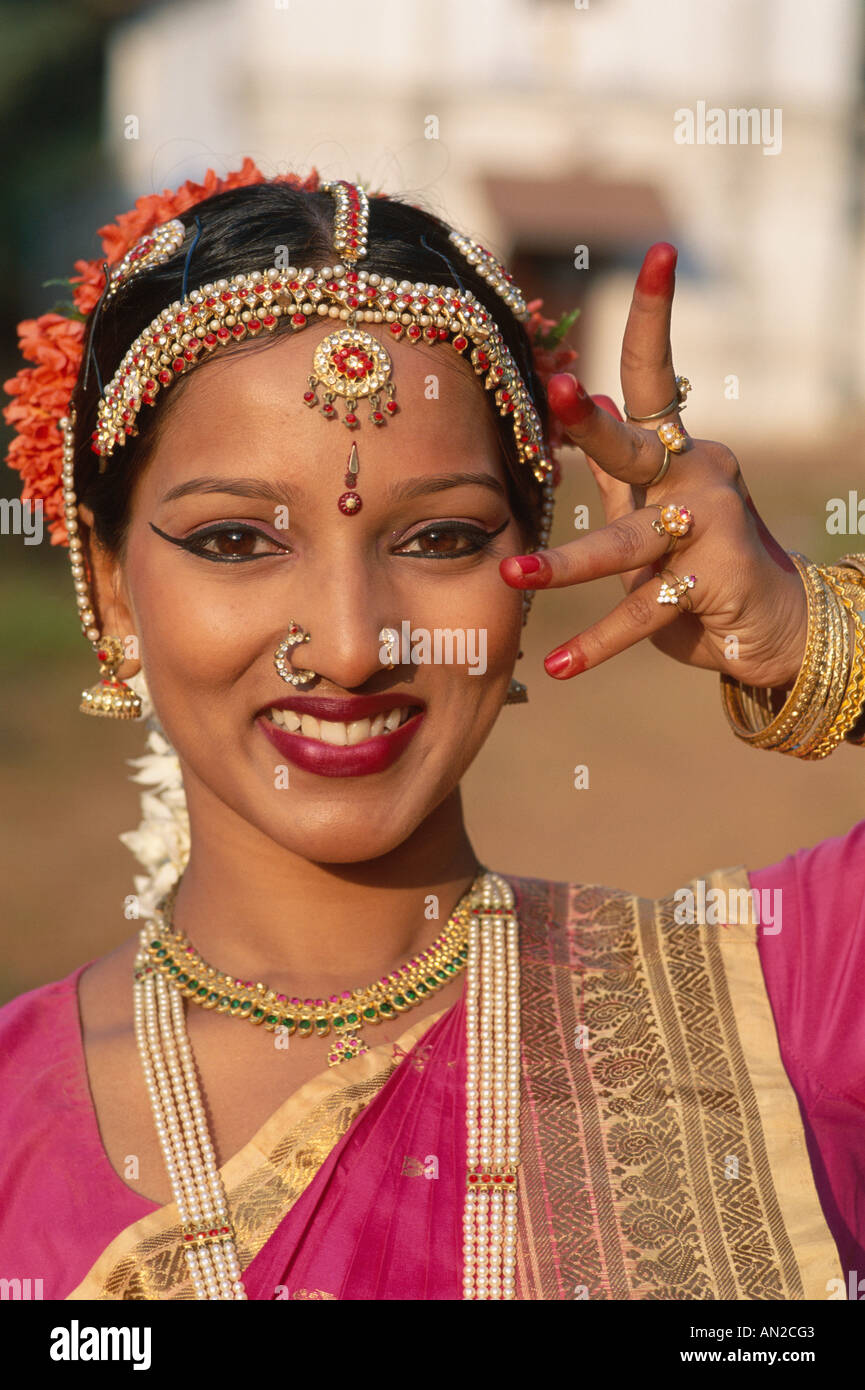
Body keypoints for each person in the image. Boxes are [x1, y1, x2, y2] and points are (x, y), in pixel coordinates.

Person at [1, 161, 863, 1301]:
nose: (352, 648)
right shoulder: (19, 1125)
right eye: (235, 542)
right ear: (111, 592)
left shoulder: (784, 1007)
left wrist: (809, 633)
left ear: (525, 575)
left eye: (441, 539)